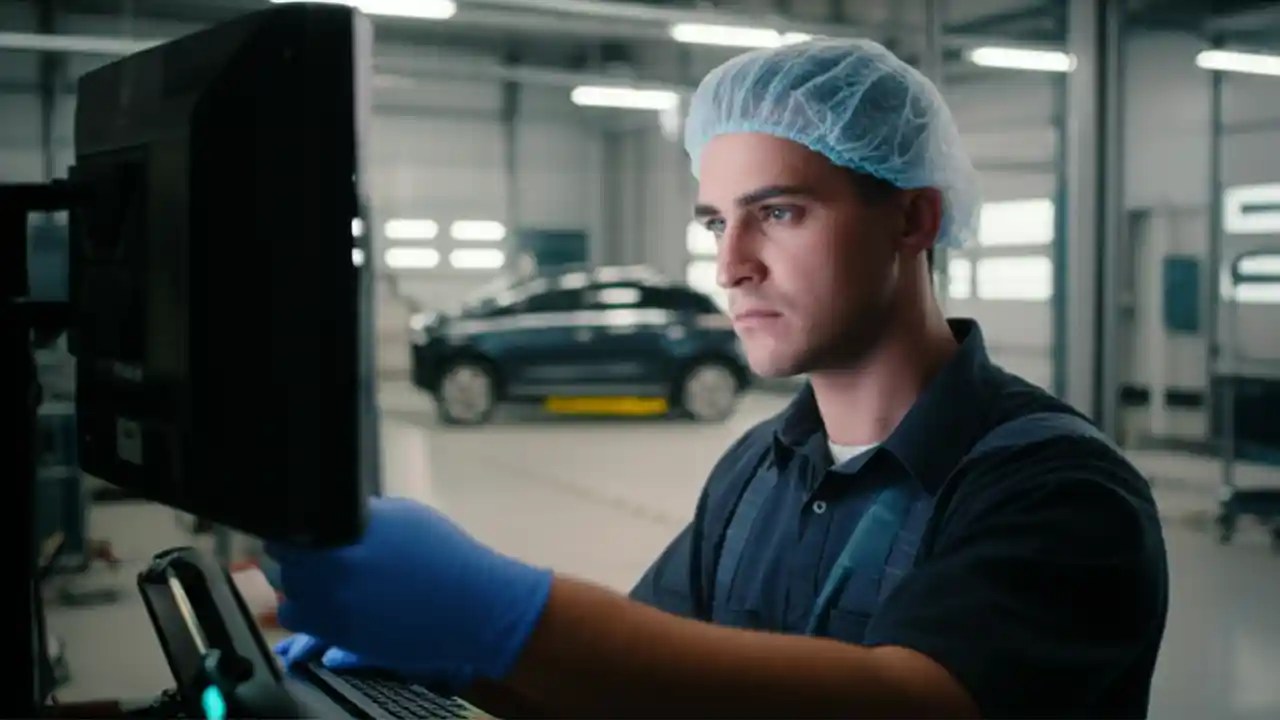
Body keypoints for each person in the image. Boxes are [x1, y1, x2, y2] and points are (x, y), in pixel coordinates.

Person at [268, 38, 1169, 718]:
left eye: (778, 212)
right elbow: (644, 688)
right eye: (714, 223)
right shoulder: (759, 468)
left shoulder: (1059, 491)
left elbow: (910, 701)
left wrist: (504, 618)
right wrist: (446, 655)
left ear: (913, 219)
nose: (730, 265)